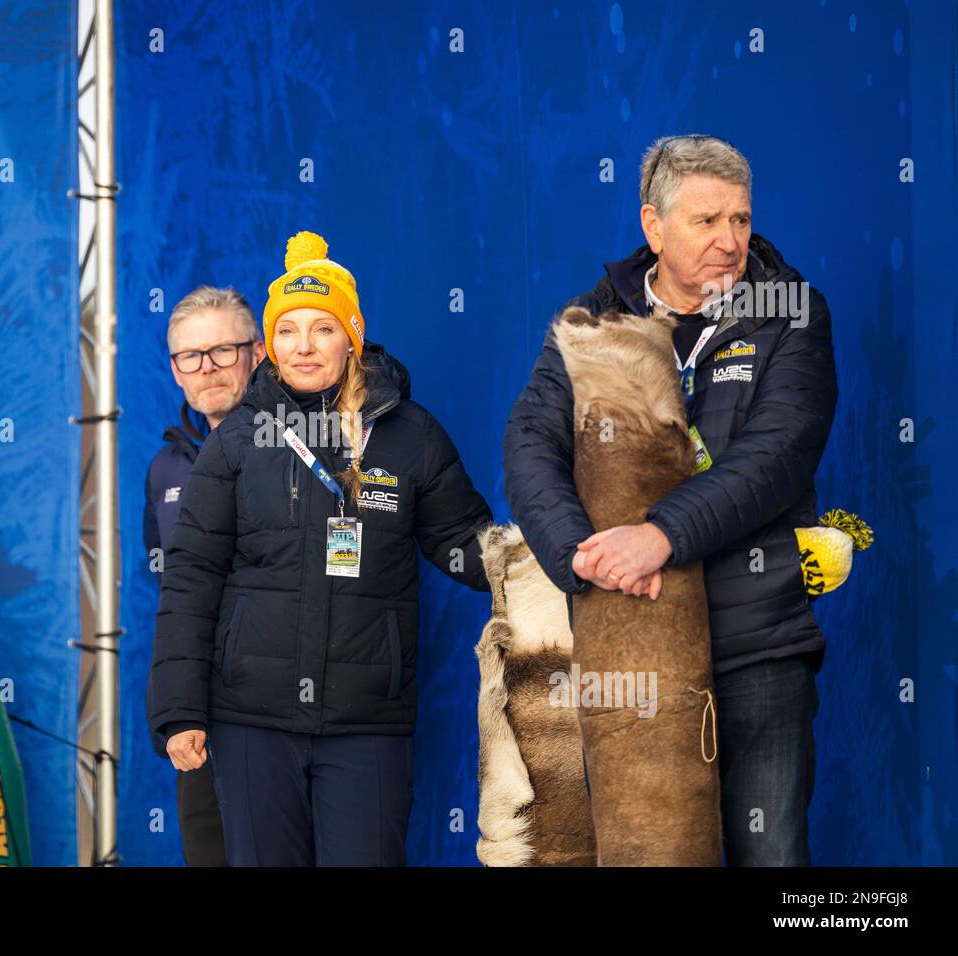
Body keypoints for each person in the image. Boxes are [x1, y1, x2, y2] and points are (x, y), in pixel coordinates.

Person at [503, 134, 837, 866]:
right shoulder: (591, 321)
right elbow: (529, 444)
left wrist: (662, 534)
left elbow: (779, 454)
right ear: (653, 226)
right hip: (633, 643)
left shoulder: (791, 312)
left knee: (772, 856)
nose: (731, 241)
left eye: (741, 220)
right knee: (644, 853)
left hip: (757, 644)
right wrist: (577, 557)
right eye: (707, 221)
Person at [149, 231, 493, 866]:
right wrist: (177, 710)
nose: (303, 347)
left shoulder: (408, 436)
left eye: (323, 328)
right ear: (269, 346)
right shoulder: (236, 442)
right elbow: (190, 579)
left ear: (352, 337)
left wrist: (561, 562)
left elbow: (467, 547)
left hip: (367, 724)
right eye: (288, 331)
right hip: (251, 721)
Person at [144, 285, 264, 867]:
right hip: (201, 716)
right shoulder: (164, 468)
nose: (208, 368)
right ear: (175, 371)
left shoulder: (297, 445)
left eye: (223, 350)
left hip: (280, 709)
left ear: (257, 353)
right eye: (191, 356)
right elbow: (171, 587)